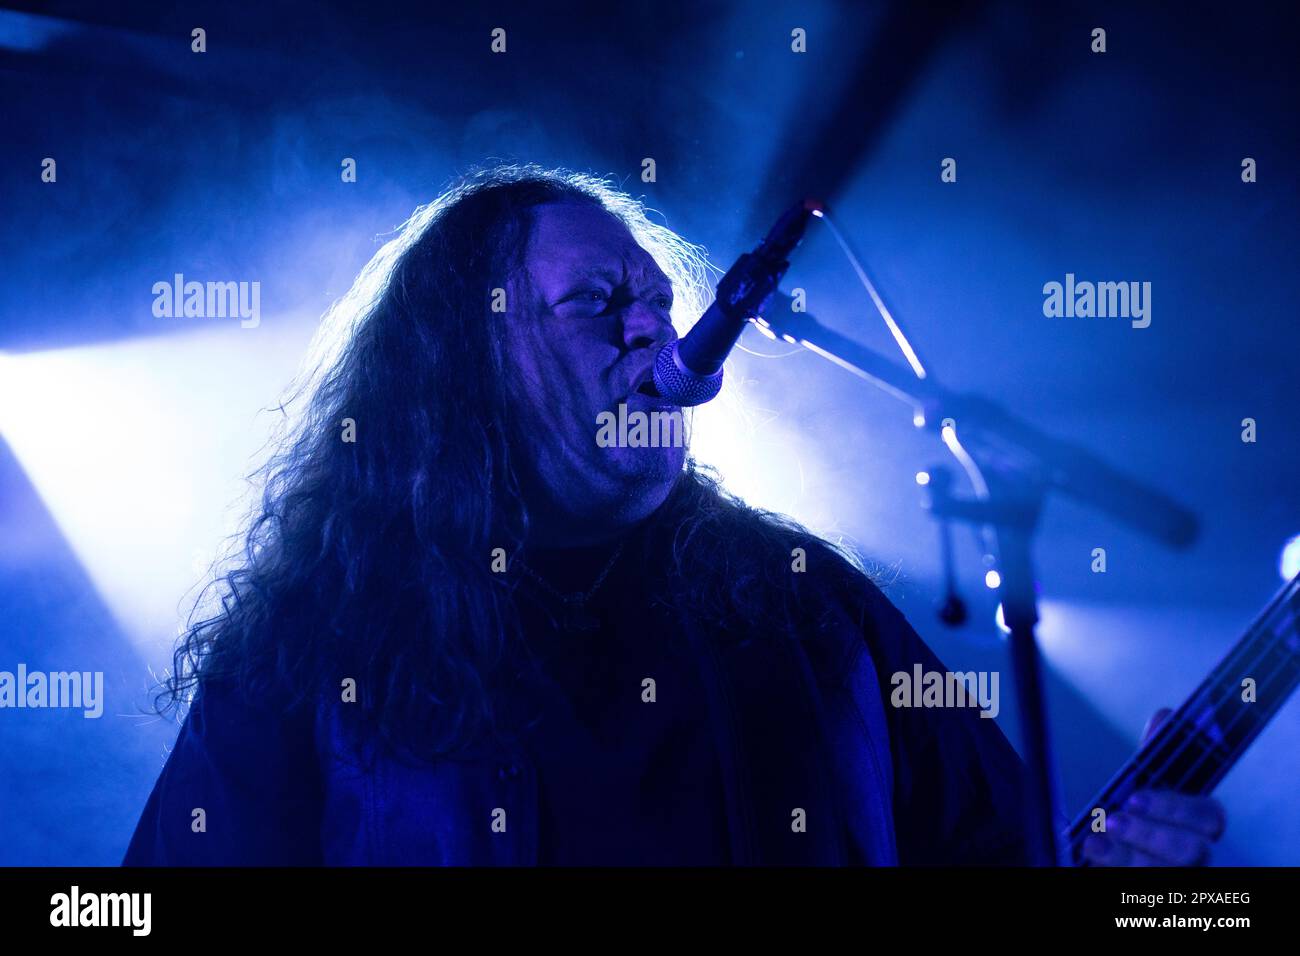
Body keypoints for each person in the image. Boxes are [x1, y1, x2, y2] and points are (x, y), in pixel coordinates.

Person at [123, 165, 1224, 866]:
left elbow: (993, 850)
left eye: (658, 301)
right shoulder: (315, 642)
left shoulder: (810, 605)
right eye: (598, 306)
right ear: (460, 366)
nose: (654, 336)